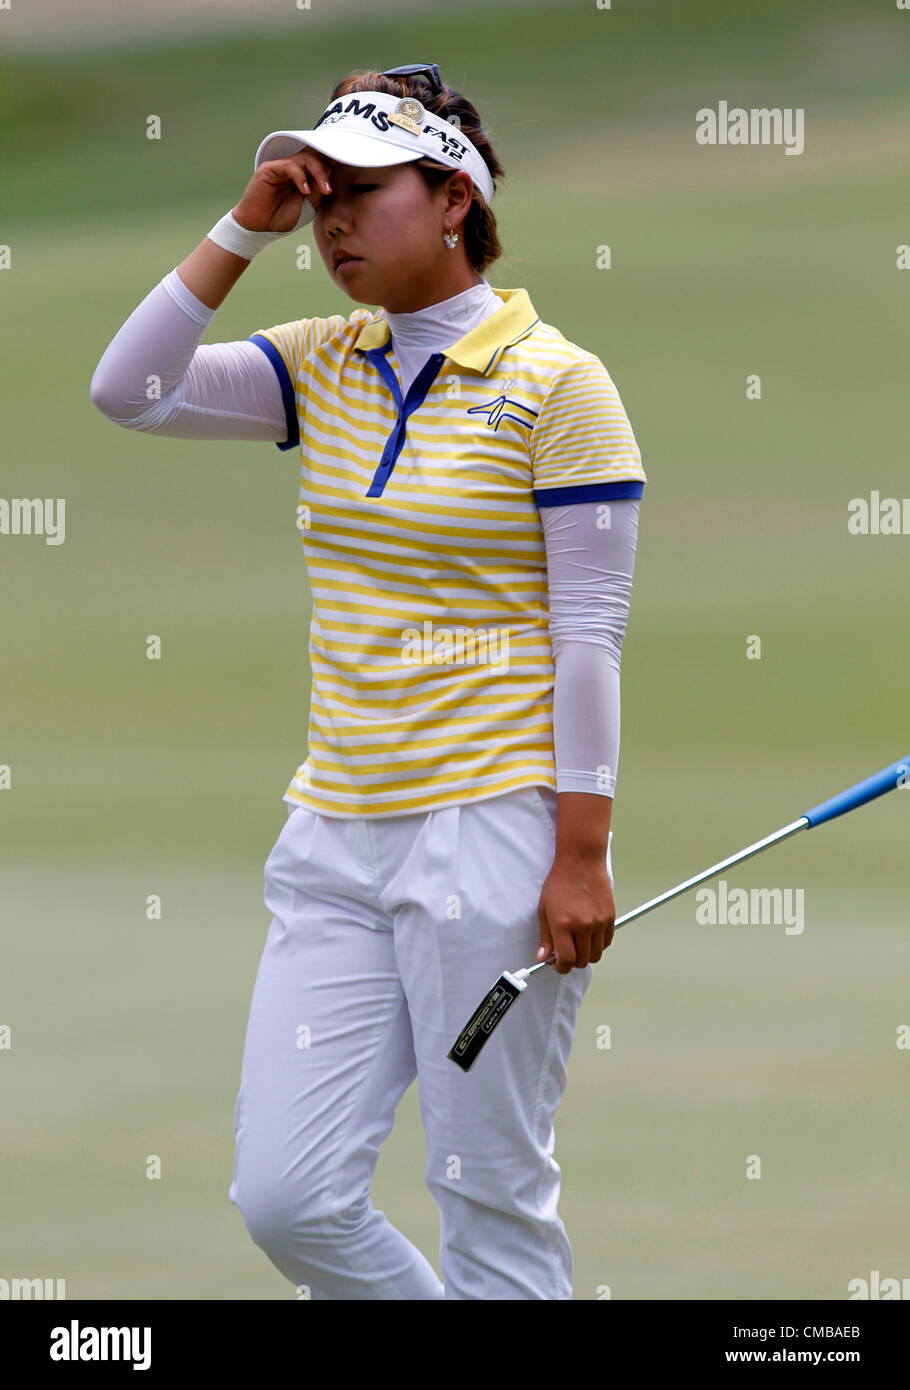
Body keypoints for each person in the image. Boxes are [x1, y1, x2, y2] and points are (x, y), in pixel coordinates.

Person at [89, 63, 647, 1300]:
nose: (331, 221)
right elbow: (127, 391)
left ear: (453, 198)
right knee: (289, 1198)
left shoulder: (558, 384)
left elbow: (591, 633)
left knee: (489, 1195)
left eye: (361, 191)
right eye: (317, 195)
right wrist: (245, 224)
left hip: (492, 835)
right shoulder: (320, 362)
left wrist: (581, 850)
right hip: (333, 834)